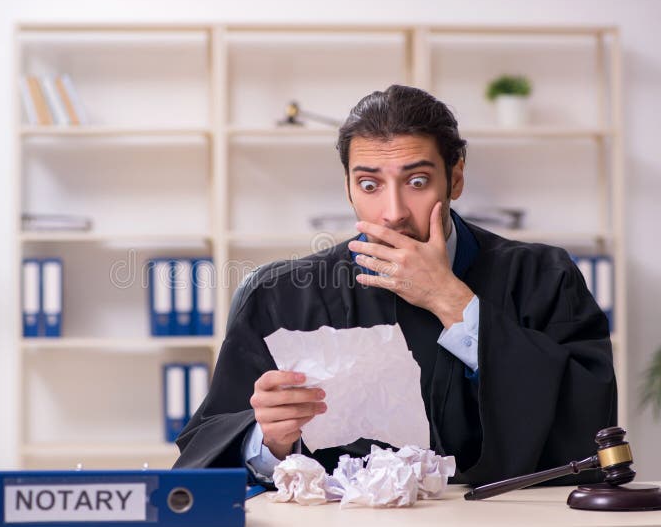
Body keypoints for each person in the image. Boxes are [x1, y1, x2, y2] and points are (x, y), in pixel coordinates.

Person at [173, 84, 616, 487]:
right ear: (348, 187)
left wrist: (454, 303)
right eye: (369, 184)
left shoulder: (544, 278)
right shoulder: (283, 295)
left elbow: (591, 432)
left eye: (417, 181)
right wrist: (269, 440)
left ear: (456, 177)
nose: (393, 212)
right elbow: (205, 448)